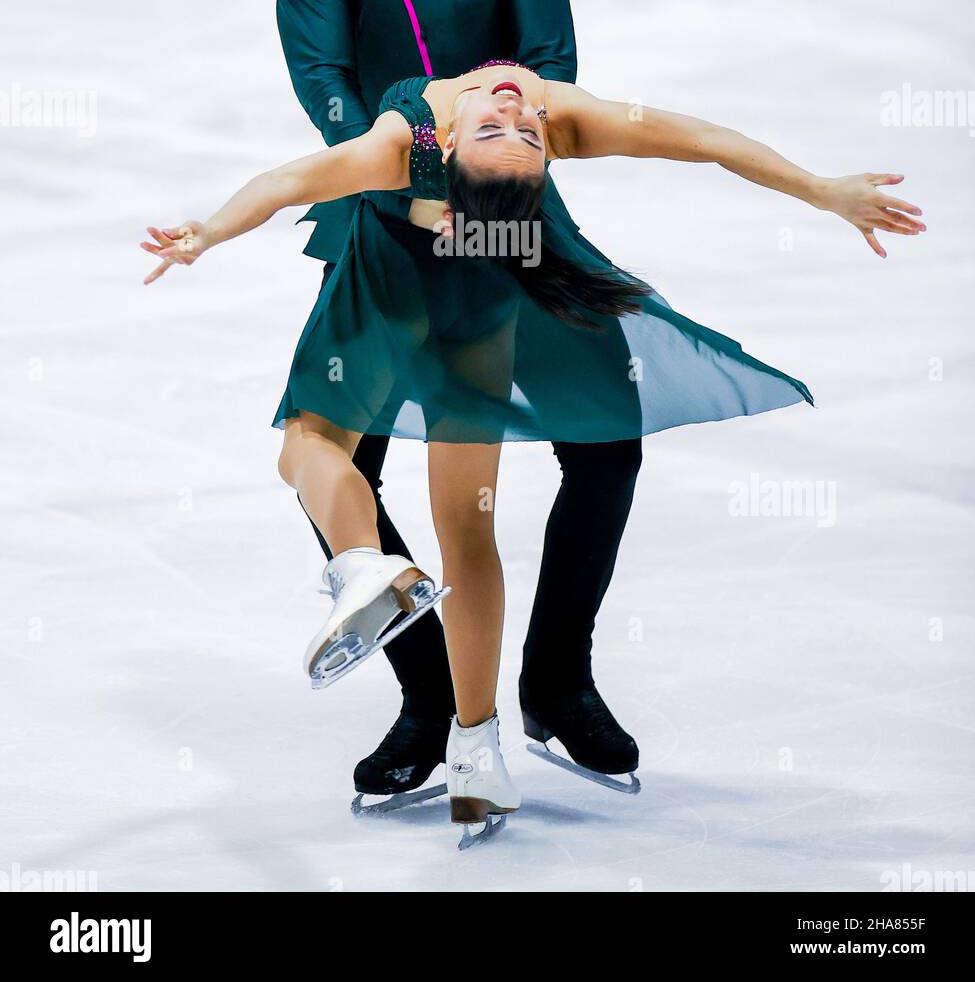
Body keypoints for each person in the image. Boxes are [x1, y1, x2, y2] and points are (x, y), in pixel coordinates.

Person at [140, 58, 924, 836]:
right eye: (508, 127)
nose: (517, 109)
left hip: (433, 295)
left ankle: (366, 572)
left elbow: (288, 181)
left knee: (319, 449)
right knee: (441, 517)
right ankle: (472, 741)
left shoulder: (408, 140)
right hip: (440, 292)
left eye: (519, 129)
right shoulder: (530, 118)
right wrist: (817, 190)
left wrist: (207, 233)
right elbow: (703, 139)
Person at [268, 0, 649, 798]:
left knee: (609, 443)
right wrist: (409, 180)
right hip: (391, 214)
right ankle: (429, 694)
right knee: (334, 456)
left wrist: (482, 178)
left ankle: (557, 681)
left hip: (514, 215)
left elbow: (546, 60)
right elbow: (325, 85)